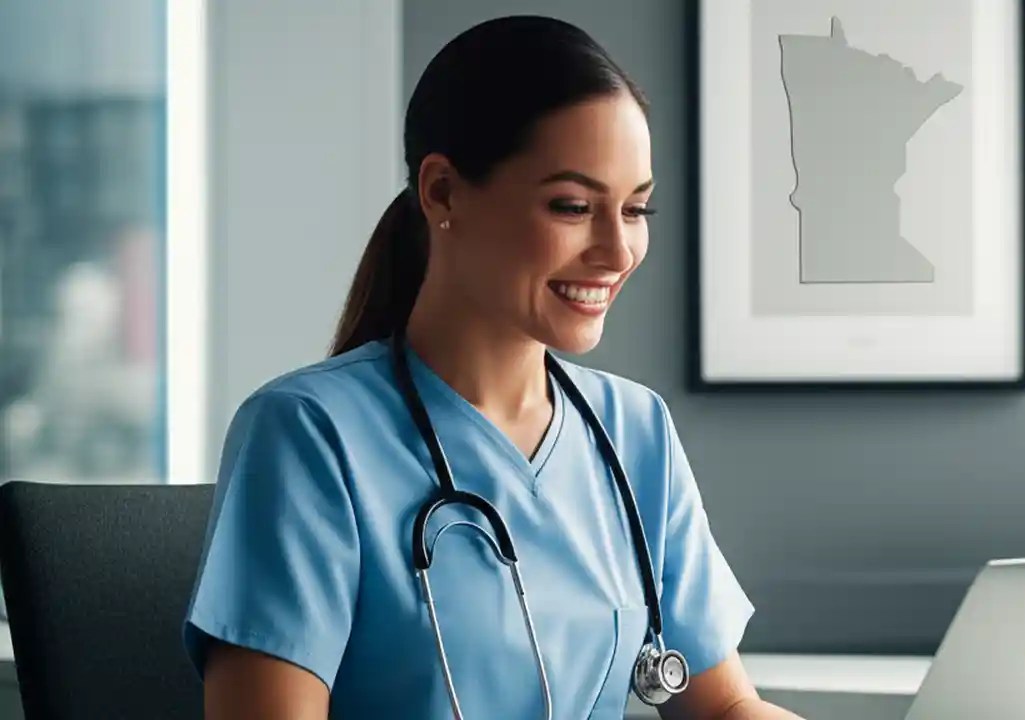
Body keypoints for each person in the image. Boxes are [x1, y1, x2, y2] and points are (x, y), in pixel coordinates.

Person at [182, 15, 803, 720]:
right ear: (443, 192)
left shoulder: (635, 431)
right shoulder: (309, 435)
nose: (618, 249)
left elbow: (722, 708)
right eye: (572, 206)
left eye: (635, 208)